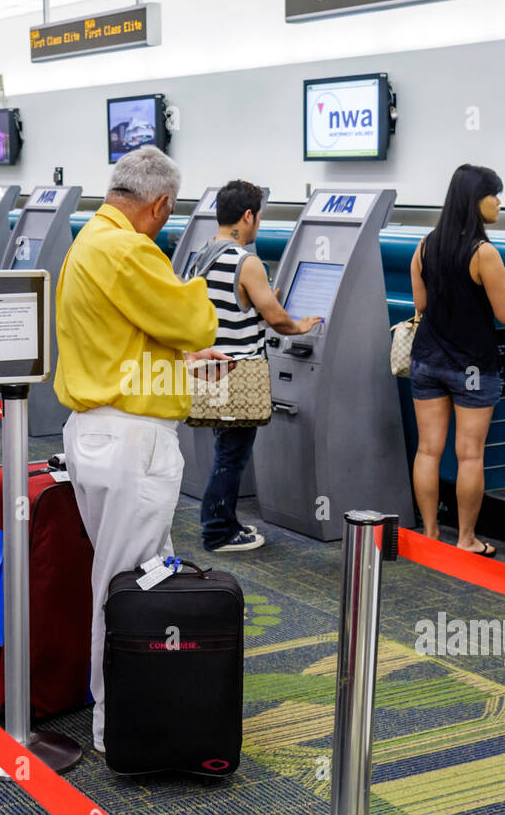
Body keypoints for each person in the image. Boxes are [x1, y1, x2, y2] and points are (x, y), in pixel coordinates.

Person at [55, 145, 222, 752]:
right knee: (128, 584)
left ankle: (144, 699)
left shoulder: (88, 242)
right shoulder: (128, 247)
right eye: (168, 214)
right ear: (159, 204)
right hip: (132, 440)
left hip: (95, 428)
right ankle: (119, 722)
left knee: (130, 574)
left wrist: (176, 362)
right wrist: (194, 300)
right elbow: (196, 319)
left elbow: (122, 336)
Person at [185, 179, 320, 552]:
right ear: (247, 216)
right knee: (232, 455)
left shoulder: (202, 255)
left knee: (223, 449)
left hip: (210, 369)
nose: (257, 223)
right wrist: (299, 326)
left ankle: (223, 521)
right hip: (239, 373)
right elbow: (277, 318)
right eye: (258, 217)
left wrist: (257, 307)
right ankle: (217, 530)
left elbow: (226, 308)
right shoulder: (246, 261)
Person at [409, 164, 505, 556]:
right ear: (477, 201)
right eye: (495, 195)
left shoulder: (425, 245)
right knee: (469, 453)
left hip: (426, 359)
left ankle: (429, 532)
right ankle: (467, 540)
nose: (499, 202)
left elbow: (421, 306)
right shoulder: (484, 253)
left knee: (428, 450)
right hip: (472, 366)